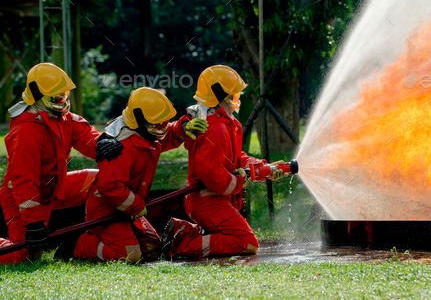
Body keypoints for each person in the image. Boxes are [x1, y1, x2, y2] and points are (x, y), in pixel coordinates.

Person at [62, 87, 208, 263]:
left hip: (128, 207)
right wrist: (137, 206)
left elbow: (167, 134)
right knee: (129, 255)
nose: (162, 128)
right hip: (106, 209)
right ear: (139, 120)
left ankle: (109, 238)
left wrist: (183, 127)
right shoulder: (121, 146)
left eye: (165, 122)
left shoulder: (148, 134)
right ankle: (79, 244)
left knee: (153, 249)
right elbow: (110, 187)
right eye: (157, 124)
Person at [0, 63, 123, 264]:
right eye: (56, 97)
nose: (62, 101)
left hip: (56, 187)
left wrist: (103, 143)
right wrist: (33, 222)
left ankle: (93, 234)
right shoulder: (25, 133)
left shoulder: (66, 119)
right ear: (37, 96)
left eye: (64, 95)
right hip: (22, 198)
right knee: (26, 259)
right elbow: (23, 182)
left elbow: (87, 137)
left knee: (102, 180)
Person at [161, 65, 283, 259]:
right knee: (247, 242)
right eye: (235, 94)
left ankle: (190, 233)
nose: (237, 99)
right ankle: (184, 244)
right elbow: (209, 171)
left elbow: (233, 158)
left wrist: (260, 166)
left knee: (240, 240)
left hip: (213, 200)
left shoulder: (225, 123)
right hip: (207, 201)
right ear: (223, 96)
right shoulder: (217, 128)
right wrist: (237, 182)